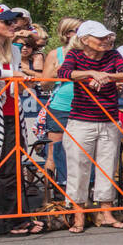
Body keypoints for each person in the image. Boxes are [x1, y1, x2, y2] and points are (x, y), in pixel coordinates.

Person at [58, 21, 123, 232]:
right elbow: (64, 73)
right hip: (81, 121)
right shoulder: (75, 55)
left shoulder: (112, 55)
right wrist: (91, 73)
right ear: (84, 40)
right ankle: (79, 216)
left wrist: (106, 76)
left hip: (109, 120)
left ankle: (106, 213)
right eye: (99, 38)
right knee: (78, 169)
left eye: (106, 37)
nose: (105, 41)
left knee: (108, 168)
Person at [0, 9, 45, 236]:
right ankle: (2, 223)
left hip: (11, 112)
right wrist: (15, 76)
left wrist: (21, 80)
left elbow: (12, 77)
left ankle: (14, 220)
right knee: (5, 170)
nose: (13, 25)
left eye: (14, 22)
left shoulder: (12, 49)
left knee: (12, 169)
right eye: (7, 22)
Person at [41, 17, 82, 187]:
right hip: (61, 107)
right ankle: (49, 198)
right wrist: (58, 72)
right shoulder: (55, 53)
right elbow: (44, 83)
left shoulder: (91, 53)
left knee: (80, 153)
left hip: (85, 107)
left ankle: (78, 194)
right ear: (67, 33)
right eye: (77, 30)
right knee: (54, 152)